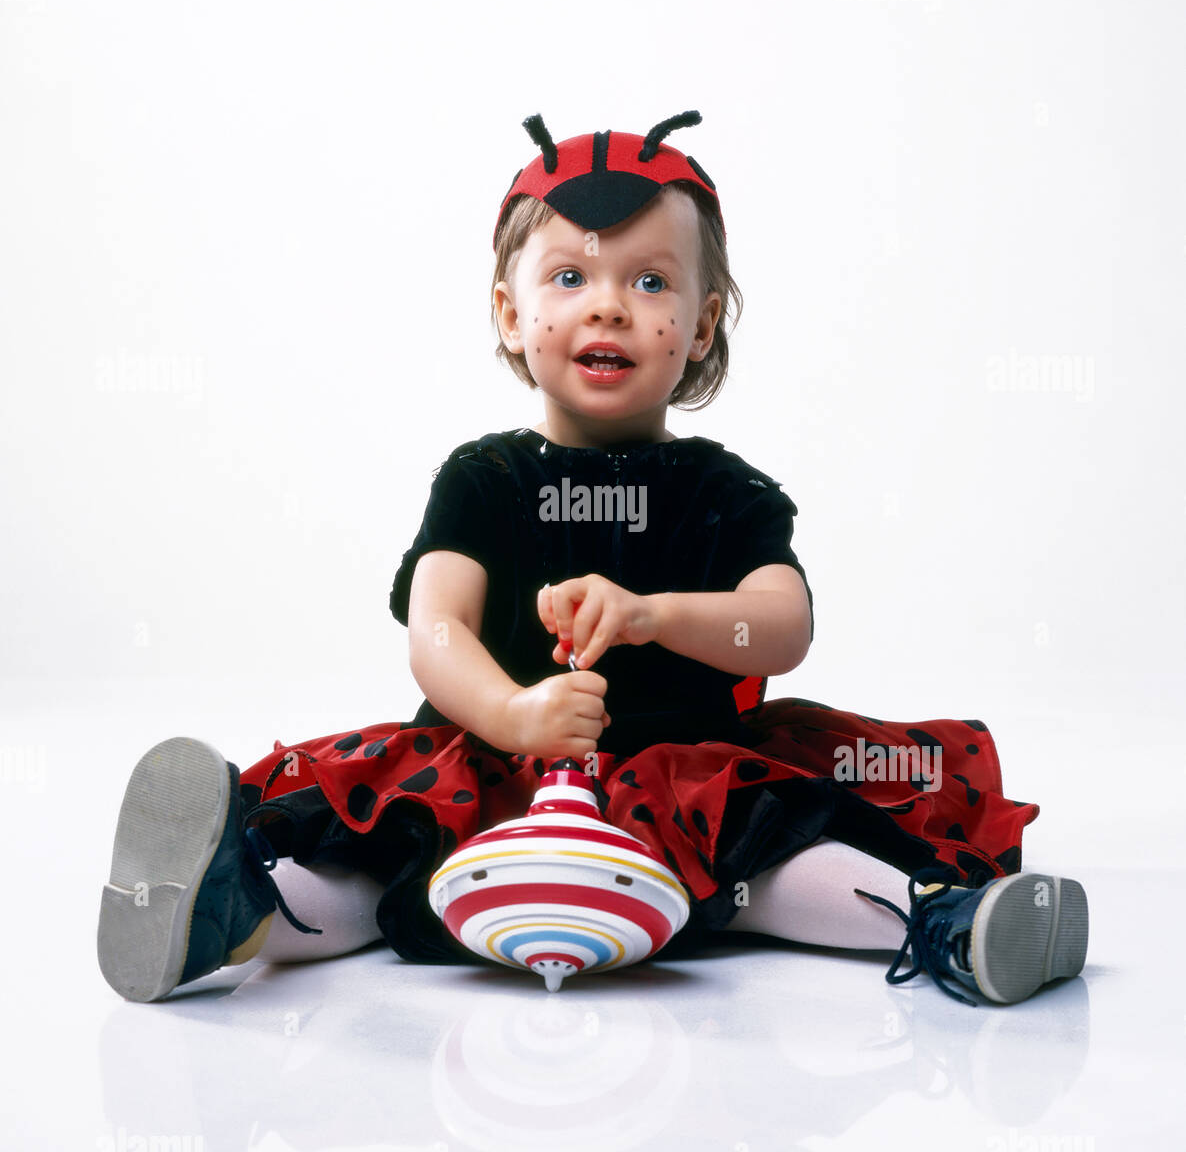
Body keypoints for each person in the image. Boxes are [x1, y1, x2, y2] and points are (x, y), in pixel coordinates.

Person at [97, 111, 1088, 1009]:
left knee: (773, 864)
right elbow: (434, 626)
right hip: (485, 776)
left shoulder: (721, 490)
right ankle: (230, 913)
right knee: (388, 868)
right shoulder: (483, 479)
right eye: (569, 277)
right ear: (508, 313)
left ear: (700, 326)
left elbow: (780, 624)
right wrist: (511, 712)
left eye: (649, 281)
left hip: (680, 793)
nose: (607, 306)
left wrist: (658, 613)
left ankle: (939, 922)